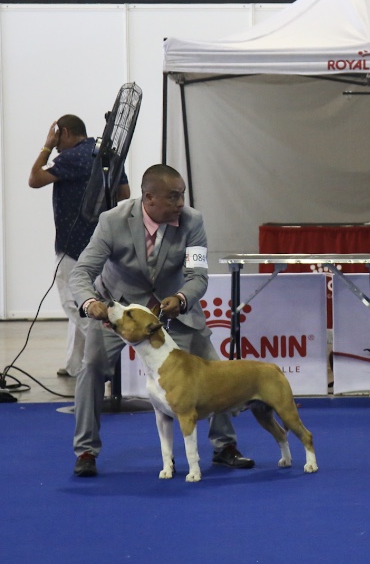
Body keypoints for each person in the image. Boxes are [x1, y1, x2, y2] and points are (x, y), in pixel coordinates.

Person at [68, 164, 254, 477]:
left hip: (173, 311)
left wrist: (182, 299)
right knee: (91, 366)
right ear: (149, 198)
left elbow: (197, 276)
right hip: (120, 314)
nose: (181, 203)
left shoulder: (193, 221)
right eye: (174, 197)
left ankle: (224, 446)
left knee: (213, 366)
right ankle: (86, 450)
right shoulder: (112, 222)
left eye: (182, 195)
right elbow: (81, 272)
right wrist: (90, 303)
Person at [28, 115, 130, 379]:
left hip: (72, 245)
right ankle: (75, 366)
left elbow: (35, 179)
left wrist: (47, 146)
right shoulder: (107, 154)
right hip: (101, 242)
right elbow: (125, 192)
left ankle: (106, 358)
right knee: (88, 298)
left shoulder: (70, 158)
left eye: (57, 136)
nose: (57, 143)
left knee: (75, 304)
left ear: (63, 132)